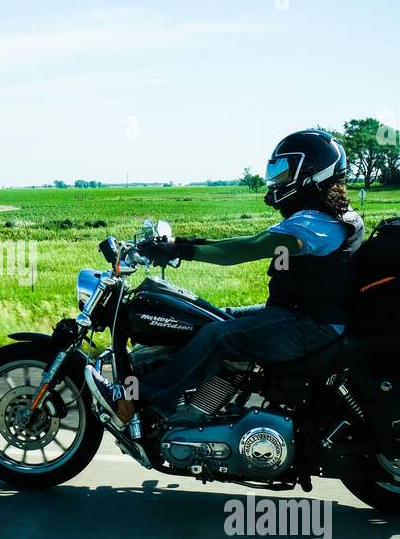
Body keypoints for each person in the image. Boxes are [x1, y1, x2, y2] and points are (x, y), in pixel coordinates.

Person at [86, 129, 364, 422]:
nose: (277, 181)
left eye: (283, 173)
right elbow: (249, 244)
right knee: (210, 317)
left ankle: (138, 400)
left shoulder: (320, 223)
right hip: (299, 315)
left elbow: (249, 247)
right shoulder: (322, 216)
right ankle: (199, 406)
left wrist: (183, 250)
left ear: (312, 174)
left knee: (217, 335)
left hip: (312, 324)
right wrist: (181, 245)